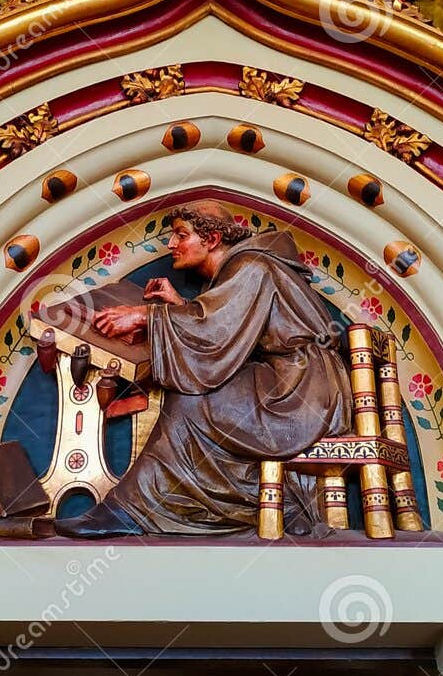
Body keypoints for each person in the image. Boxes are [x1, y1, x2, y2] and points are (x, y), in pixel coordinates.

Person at [54, 201, 350, 538]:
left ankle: (132, 510)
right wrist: (179, 308)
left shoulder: (252, 265)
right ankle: (152, 506)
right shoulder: (240, 271)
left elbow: (216, 332)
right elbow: (226, 332)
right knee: (195, 392)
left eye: (181, 235)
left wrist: (145, 315)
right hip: (285, 378)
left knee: (191, 398)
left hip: (298, 388)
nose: (170, 245)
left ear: (211, 239)